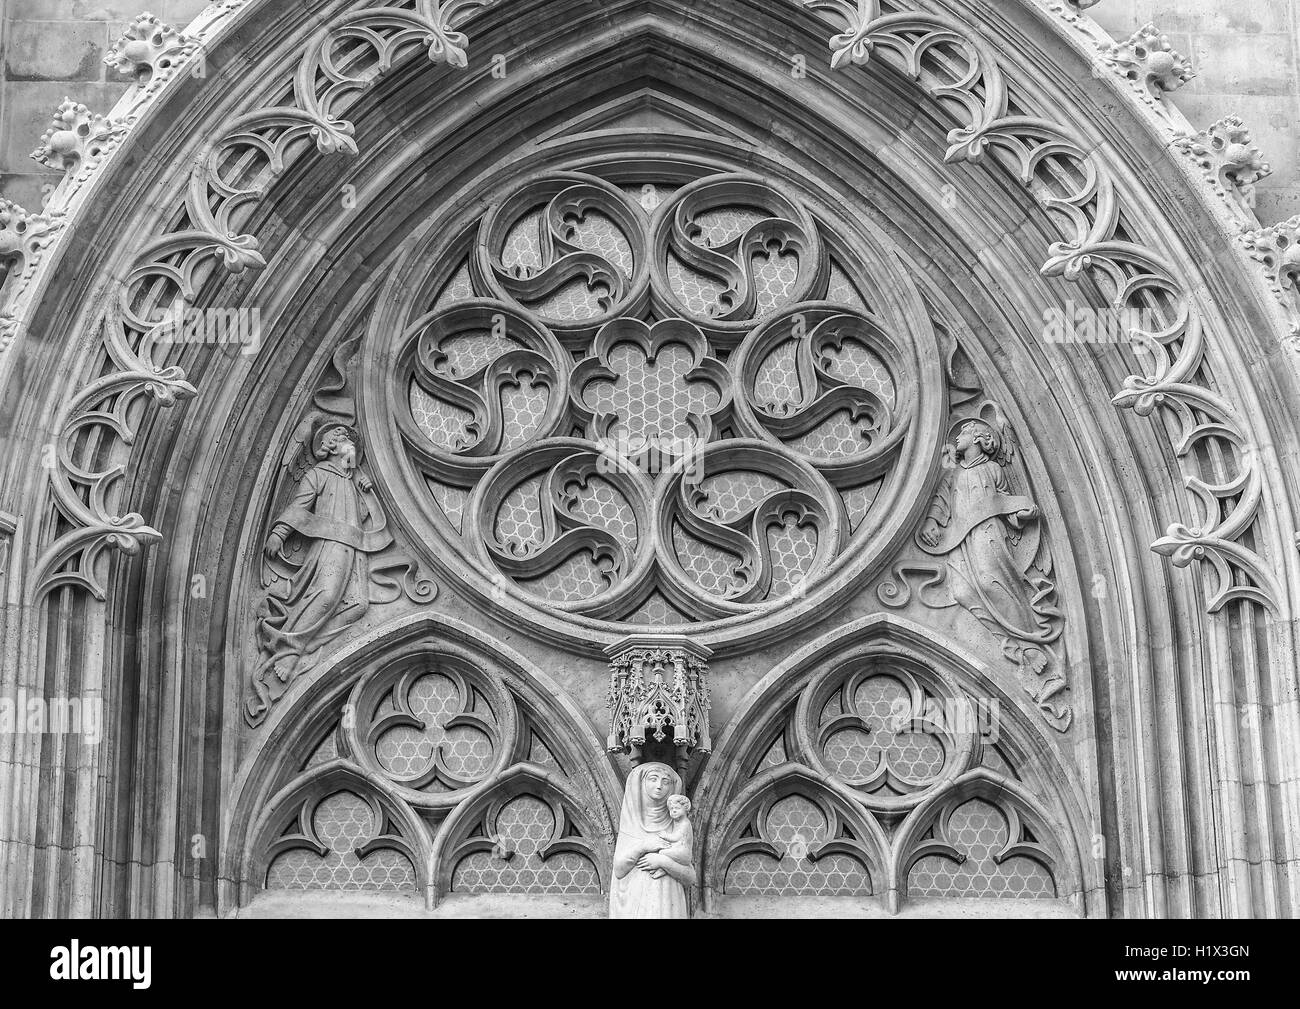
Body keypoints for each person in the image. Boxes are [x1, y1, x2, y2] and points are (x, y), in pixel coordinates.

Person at [609, 763, 697, 918]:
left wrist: (663, 862)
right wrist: (643, 846)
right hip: (634, 905)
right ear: (640, 784)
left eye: (665, 781)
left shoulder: (678, 826)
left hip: (669, 905)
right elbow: (619, 869)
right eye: (653, 779)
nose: (659, 786)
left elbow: (690, 877)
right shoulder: (631, 824)